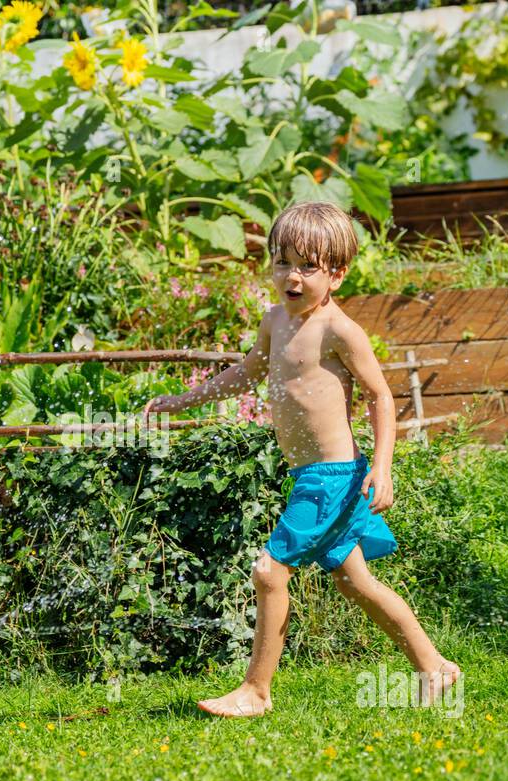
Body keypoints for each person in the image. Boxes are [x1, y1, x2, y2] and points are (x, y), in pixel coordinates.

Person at [142, 201, 461, 717]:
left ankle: (256, 691)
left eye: (307, 266)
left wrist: (383, 469)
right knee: (356, 582)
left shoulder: (340, 330)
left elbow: (381, 397)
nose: (291, 276)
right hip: (310, 475)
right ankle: (435, 667)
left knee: (270, 572)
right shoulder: (275, 321)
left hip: (333, 475)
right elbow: (244, 374)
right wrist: (180, 401)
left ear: (337, 273)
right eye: (281, 262)